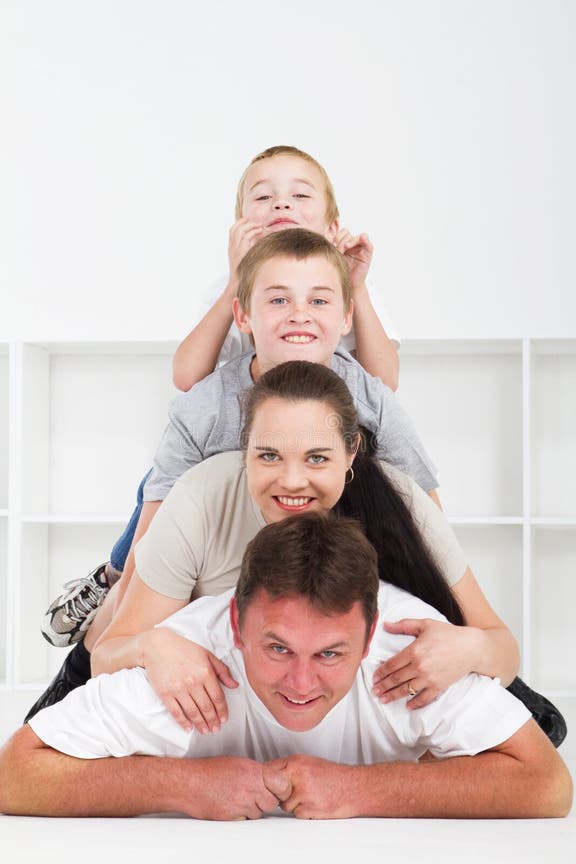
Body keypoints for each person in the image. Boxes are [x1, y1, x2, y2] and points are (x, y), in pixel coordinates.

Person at [27, 228, 442, 718]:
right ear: (243, 318)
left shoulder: (372, 401)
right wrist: (127, 624)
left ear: (344, 313)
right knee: (121, 610)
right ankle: (69, 681)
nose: (299, 314)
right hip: (209, 554)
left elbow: (427, 523)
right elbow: (155, 523)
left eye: (318, 300)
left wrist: (457, 630)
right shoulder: (204, 408)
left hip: (320, 557)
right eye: (280, 300)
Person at [25, 359, 519, 739]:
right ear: (244, 451)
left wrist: (471, 646)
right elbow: (109, 652)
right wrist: (151, 644)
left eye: (317, 458)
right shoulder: (200, 498)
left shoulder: (400, 501)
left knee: (539, 726)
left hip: (335, 711)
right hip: (234, 711)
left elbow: (502, 645)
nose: (292, 481)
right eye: (268, 456)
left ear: (351, 455)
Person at [42, 144, 400, 644]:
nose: (281, 205)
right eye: (263, 197)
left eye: (300, 195)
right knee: (163, 480)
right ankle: (113, 579)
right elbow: (189, 376)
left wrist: (356, 288)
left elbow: (385, 379)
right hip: (234, 434)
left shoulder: (348, 283)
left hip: (320, 435)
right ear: (238, 223)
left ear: (333, 223)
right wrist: (235, 279)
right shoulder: (231, 285)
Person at [1, 515, 572, 819]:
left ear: (368, 636)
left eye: (329, 654)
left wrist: (358, 791)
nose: (301, 684)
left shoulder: (407, 651)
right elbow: (16, 773)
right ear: (235, 627)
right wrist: (184, 785)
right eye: (276, 649)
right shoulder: (191, 659)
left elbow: (547, 785)